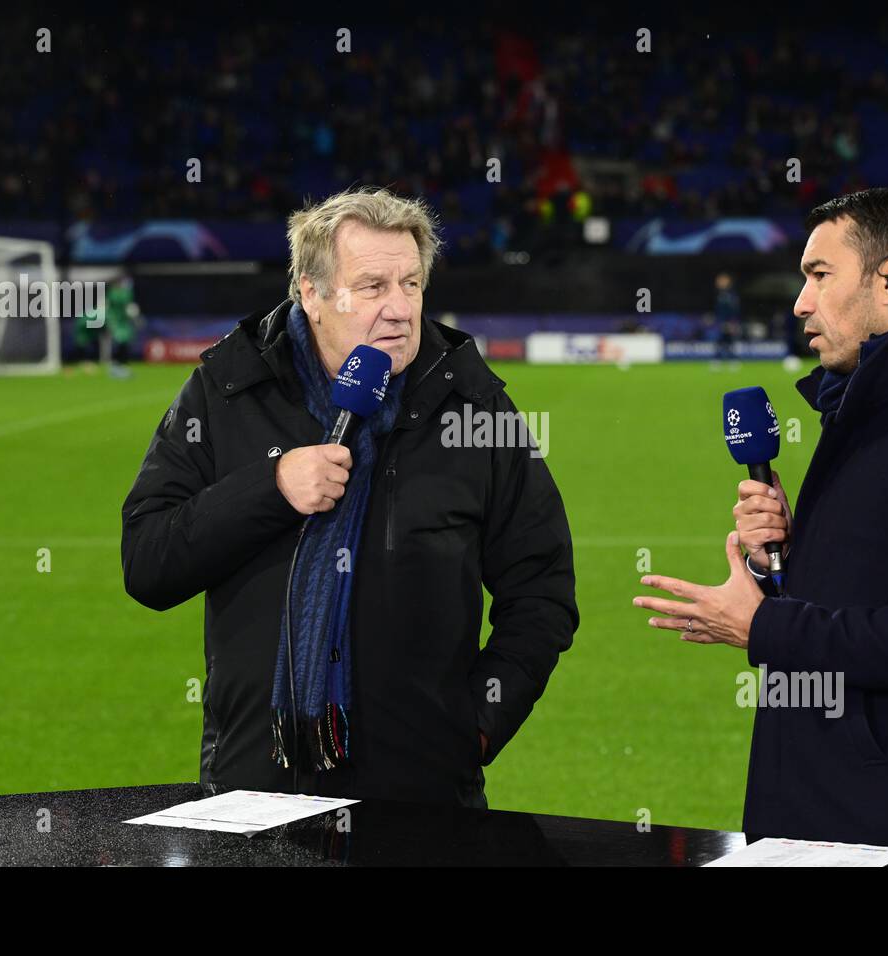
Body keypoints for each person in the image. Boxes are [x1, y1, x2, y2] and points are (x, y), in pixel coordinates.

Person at [121, 187, 578, 807]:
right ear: (310, 293)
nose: (399, 309)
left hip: (424, 794)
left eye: (411, 284)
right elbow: (149, 563)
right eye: (372, 287)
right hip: (257, 784)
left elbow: (542, 588)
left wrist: (474, 728)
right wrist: (271, 487)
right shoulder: (226, 391)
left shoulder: (473, 407)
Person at [633, 187, 888, 857]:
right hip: (827, 808)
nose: (800, 301)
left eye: (819, 275)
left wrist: (762, 624)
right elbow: (864, 593)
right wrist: (784, 564)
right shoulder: (873, 406)